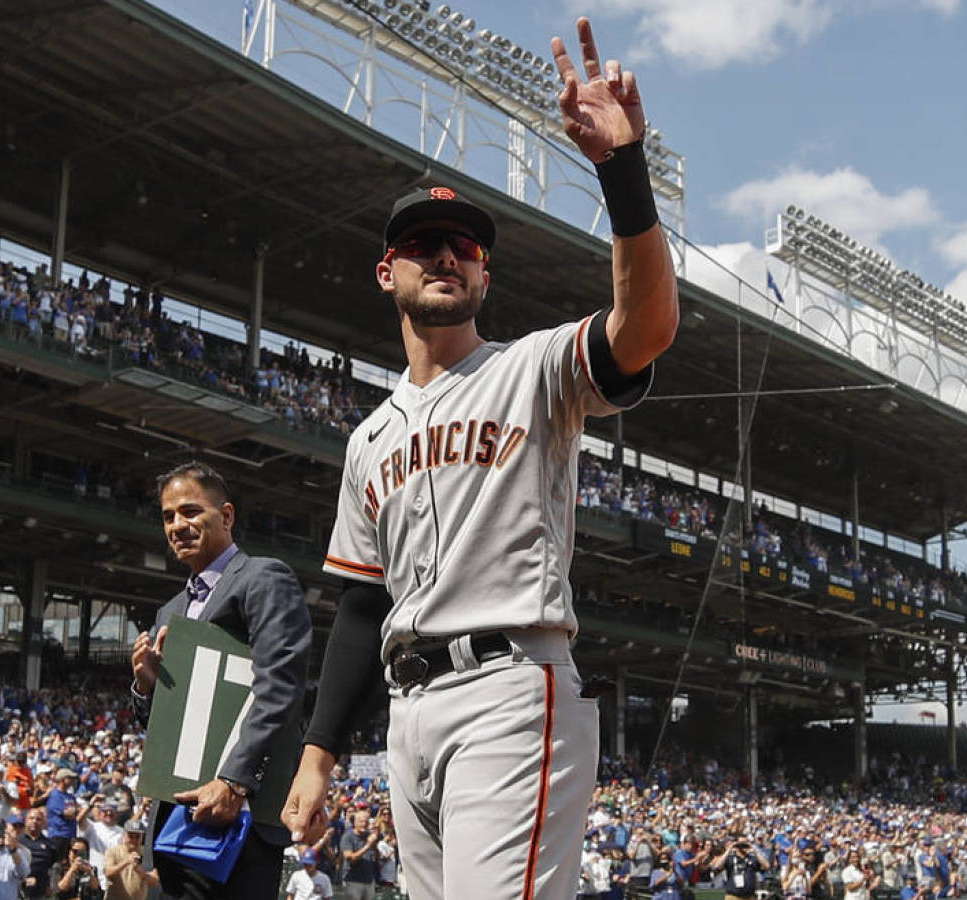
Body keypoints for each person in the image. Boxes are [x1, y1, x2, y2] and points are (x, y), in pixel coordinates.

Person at [280, 15, 678, 900]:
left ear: (484, 276)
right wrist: (318, 752)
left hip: (510, 686)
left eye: (464, 247)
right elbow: (360, 607)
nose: (446, 255)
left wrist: (623, 171)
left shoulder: (532, 369)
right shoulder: (369, 437)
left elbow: (645, 328)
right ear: (387, 272)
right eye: (423, 244)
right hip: (407, 713)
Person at [129, 462, 313, 899]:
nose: (178, 525)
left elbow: (280, 686)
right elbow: (166, 728)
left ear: (226, 516)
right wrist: (147, 687)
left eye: (191, 511)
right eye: (168, 516)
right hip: (178, 816)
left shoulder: (263, 579)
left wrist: (234, 781)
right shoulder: (170, 611)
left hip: (238, 814)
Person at [99, 822, 156, 900]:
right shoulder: (113, 852)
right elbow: (108, 873)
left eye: (137, 837)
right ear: (124, 835)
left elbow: (154, 881)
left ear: (142, 837)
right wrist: (126, 862)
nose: (134, 840)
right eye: (130, 836)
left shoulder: (147, 855)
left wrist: (140, 871)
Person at [338, 809, 380, 900]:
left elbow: (377, 859)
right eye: (361, 822)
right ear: (355, 823)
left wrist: (374, 846)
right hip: (353, 881)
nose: (364, 824)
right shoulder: (348, 837)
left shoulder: (369, 835)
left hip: (369, 880)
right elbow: (350, 859)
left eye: (366, 822)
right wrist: (367, 846)